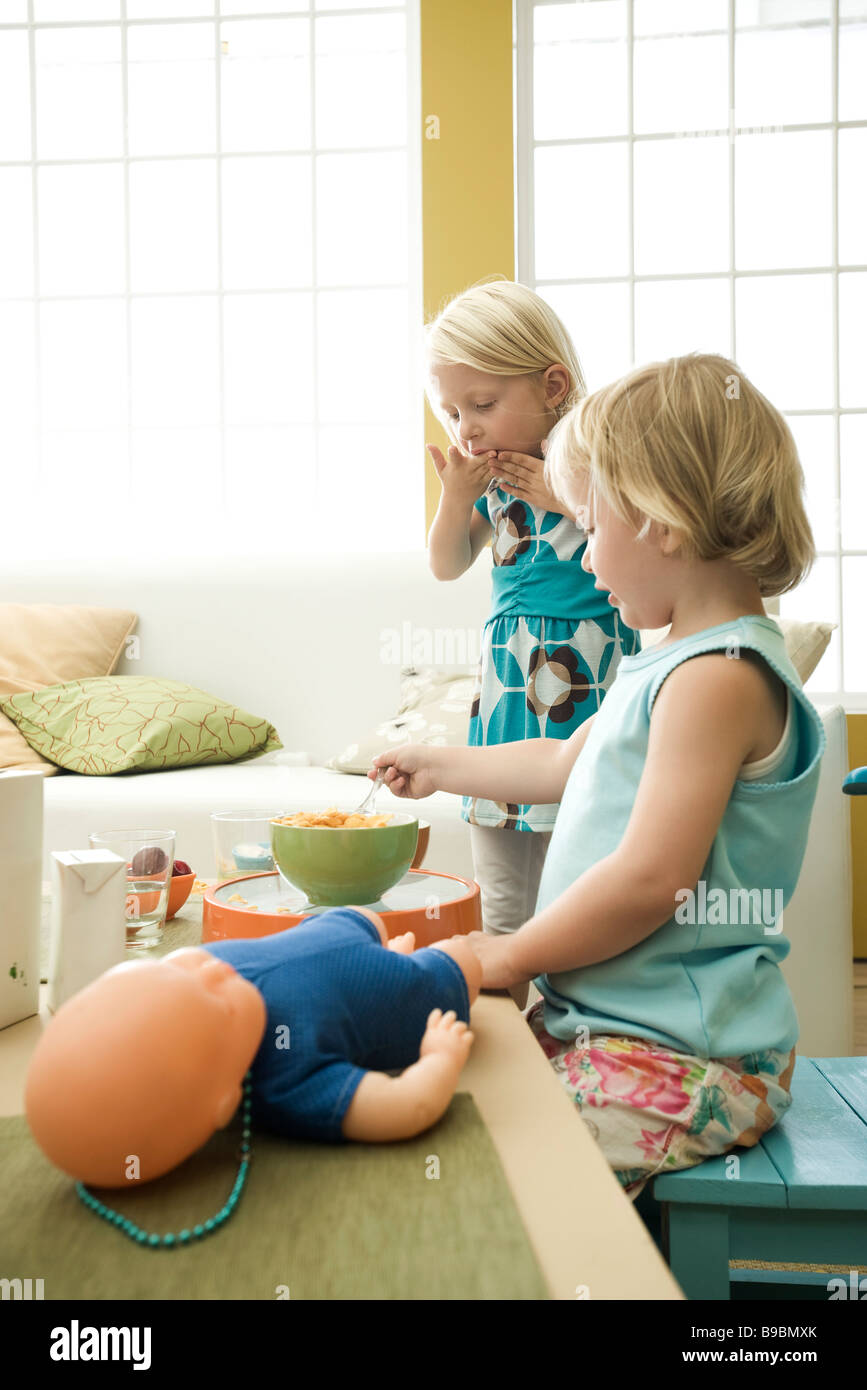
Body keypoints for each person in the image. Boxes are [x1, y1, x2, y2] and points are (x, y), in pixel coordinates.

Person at [374, 353, 825, 1201]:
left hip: (694, 1056)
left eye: (591, 526)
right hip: (611, 1031)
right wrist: (439, 765)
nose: (584, 563)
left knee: (500, 1171)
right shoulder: (668, 666)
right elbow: (556, 761)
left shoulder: (718, 678)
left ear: (664, 522)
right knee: (453, 1093)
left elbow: (652, 880)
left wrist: (506, 952)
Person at [425, 281, 640, 999]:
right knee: (502, 885)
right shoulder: (490, 476)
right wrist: (456, 496)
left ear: (553, 385)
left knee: (577, 856)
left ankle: (572, 1015)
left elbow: (645, 540)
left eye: (482, 405)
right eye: (452, 411)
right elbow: (447, 563)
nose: (466, 428)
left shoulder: (598, 454)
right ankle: (504, 1024)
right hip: (510, 678)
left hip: (584, 673)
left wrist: (566, 493)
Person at [25, 907, 480, 1190]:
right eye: (217, 1003)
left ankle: (385, 948)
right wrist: (439, 1058)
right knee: (464, 956)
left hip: (334, 931)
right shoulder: (286, 1081)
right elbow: (407, 1105)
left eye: (182, 968)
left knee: (372, 915)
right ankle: (415, 964)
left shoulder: (206, 971)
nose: (213, 973)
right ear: (224, 1105)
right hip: (397, 994)